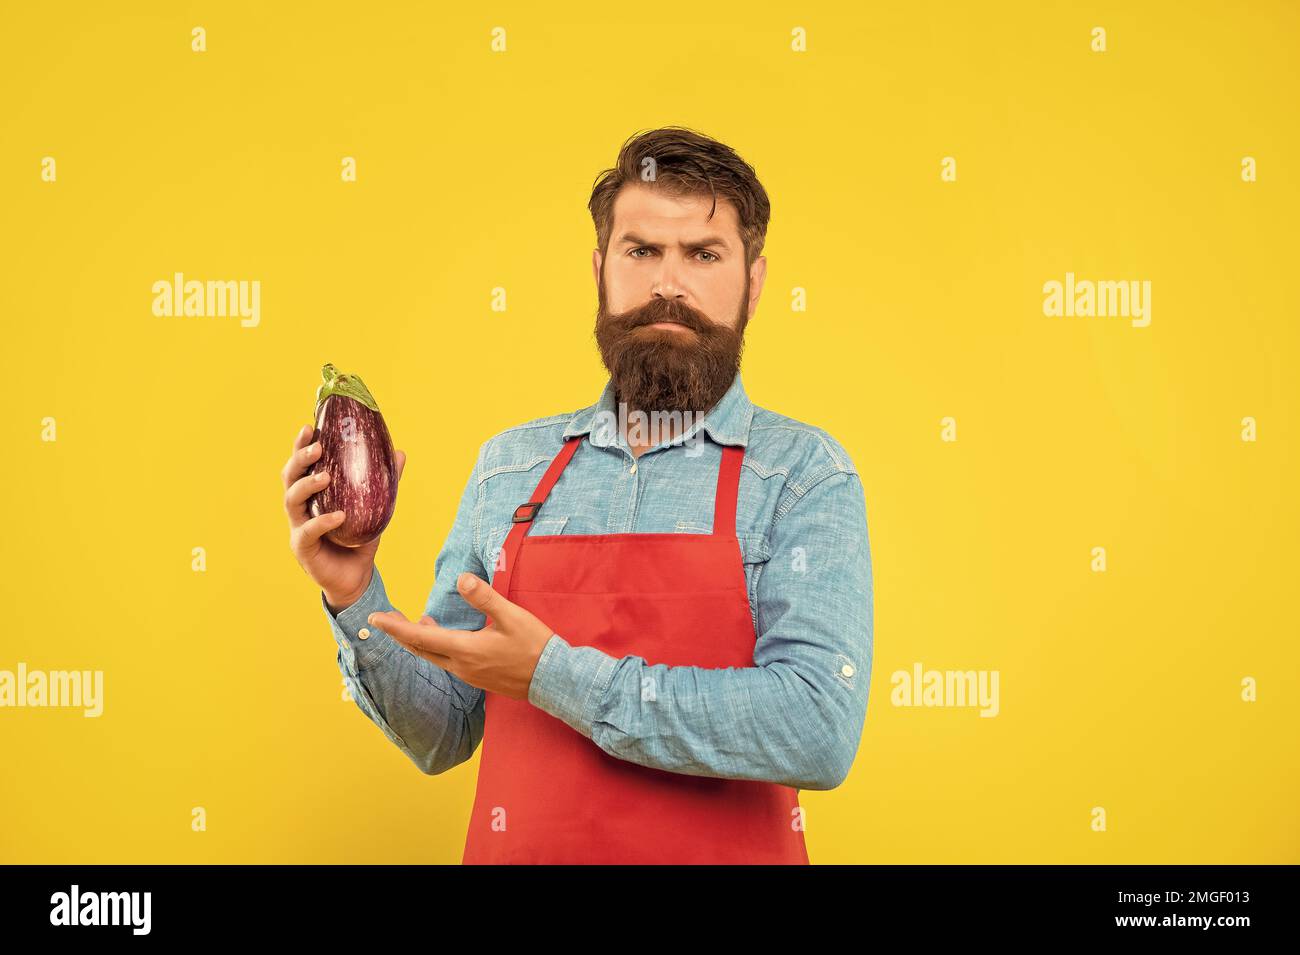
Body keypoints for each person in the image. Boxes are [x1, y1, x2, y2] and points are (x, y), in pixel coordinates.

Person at [282, 126, 873, 864]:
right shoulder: (510, 467)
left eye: (703, 254)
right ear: (601, 270)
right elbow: (442, 731)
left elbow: (816, 727)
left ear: (753, 281)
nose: (668, 283)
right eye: (641, 251)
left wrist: (553, 674)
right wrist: (355, 592)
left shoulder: (800, 475)